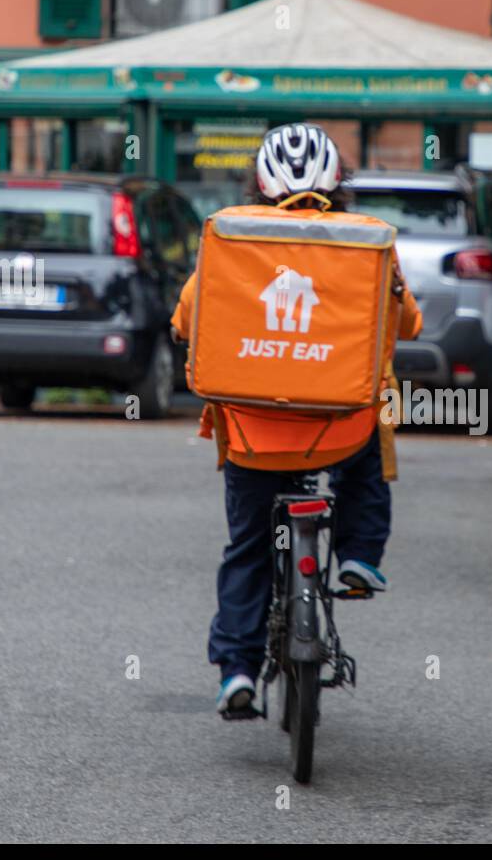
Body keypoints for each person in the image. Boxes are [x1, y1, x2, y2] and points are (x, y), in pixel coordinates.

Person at [170, 123, 422, 718]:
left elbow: (188, 318)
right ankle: (360, 555)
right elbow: (405, 323)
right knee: (366, 452)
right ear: (338, 184)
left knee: (249, 547)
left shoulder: (234, 238)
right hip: (338, 428)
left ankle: (236, 669)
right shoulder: (366, 244)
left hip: (254, 435)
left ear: (259, 183)